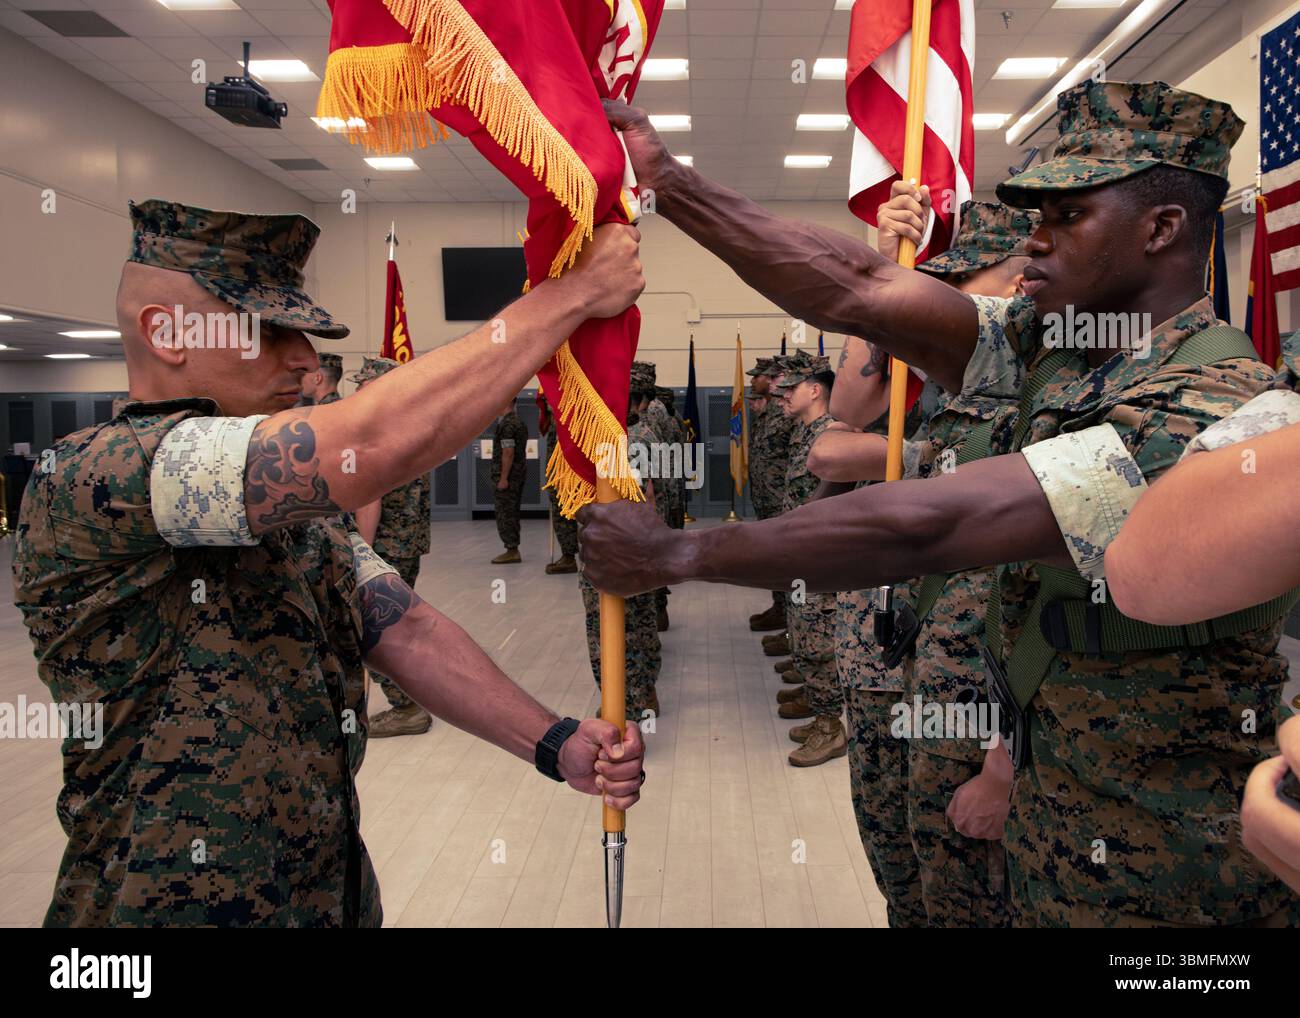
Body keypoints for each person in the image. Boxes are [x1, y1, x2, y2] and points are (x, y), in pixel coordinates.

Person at [586, 81, 1300, 926]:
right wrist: (671, 180)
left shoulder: (1215, 404)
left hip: (1172, 863)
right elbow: (859, 288)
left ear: (1161, 227)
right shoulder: (1066, 345)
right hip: (1054, 802)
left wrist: (677, 555)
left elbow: (934, 522)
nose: (1034, 240)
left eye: (1067, 216)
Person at [12, 198, 647, 927]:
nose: (306, 359)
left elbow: (403, 632)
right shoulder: (98, 473)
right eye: (269, 330)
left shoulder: (283, 518)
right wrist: (571, 296)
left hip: (322, 894)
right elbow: (372, 442)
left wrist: (554, 740)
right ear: (169, 332)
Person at [349, 356, 434, 738]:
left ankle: (408, 708)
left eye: (364, 383)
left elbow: (369, 498)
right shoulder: (412, 427)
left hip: (384, 546)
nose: (358, 391)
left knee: (373, 630)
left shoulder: (376, 434)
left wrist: (361, 553)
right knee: (393, 627)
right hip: (406, 542)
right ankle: (412, 700)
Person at [578, 362, 663, 721]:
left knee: (616, 627)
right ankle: (643, 693)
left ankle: (624, 711)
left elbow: (634, 497)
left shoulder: (628, 441)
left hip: (616, 550)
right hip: (635, 546)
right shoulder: (638, 435)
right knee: (641, 620)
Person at [772, 358, 846, 767]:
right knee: (804, 637)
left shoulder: (832, 435)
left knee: (819, 644)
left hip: (819, 562)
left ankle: (831, 729)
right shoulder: (808, 434)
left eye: (791, 388)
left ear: (815, 390)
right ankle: (821, 713)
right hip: (801, 556)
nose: (784, 395)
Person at [746, 357, 795, 634]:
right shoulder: (769, 413)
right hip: (767, 498)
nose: (753, 381)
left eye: (758, 377)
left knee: (786, 560)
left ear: (775, 379)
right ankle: (780, 609)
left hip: (782, 501)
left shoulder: (785, 414)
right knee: (774, 558)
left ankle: (791, 623)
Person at [490, 396, 528, 564]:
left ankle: (511, 549)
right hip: (518, 475)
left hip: (508, 477)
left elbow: (508, 452)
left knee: (506, 513)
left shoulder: (507, 424)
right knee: (512, 511)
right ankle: (512, 547)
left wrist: (503, 478)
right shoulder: (519, 422)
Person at [544, 415, 579, 574]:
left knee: (564, 514)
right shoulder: (558, 419)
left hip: (564, 476)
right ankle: (568, 554)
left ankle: (568, 556)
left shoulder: (565, 418)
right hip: (559, 475)